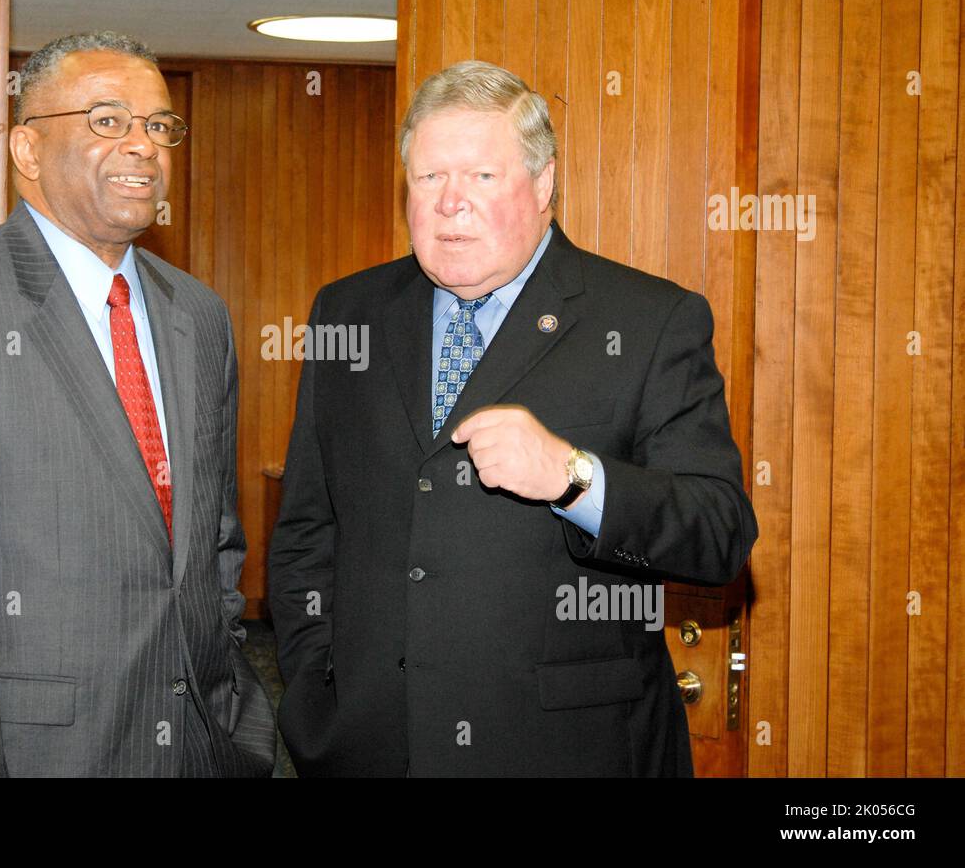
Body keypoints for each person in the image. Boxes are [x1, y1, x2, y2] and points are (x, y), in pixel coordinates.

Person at [268, 60, 758, 777]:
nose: (449, 203)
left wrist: (574, 477)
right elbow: (308, 527)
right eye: (429, 178)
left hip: (568, 748)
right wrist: (317, 686)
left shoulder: (649, 319)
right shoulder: (348, 313)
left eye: (482, 177)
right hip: (373, 745)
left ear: (545, 184)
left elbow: (720, 533)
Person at [0, 32, 275, 777]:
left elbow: (214, 543)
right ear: (27, 150)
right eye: (108, 121)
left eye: (159, 126)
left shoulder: (199, 315)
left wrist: (239, 718)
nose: (143, 145)